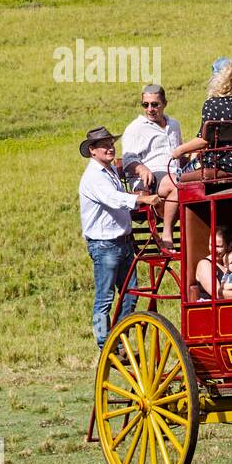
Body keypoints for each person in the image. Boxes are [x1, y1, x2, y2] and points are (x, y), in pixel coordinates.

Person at [78, 126, 161, 348]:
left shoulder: (110, 171)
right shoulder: (93, 176)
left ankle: (119, 337)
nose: (110, 147)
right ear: (92, 150)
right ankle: (105, 342)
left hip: (123, 242)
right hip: (104, 244)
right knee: (105, 298)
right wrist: (143, 199)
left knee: (130, 295)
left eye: (111, 143)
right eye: (104, 145)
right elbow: (113, 199)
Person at [119, 84, 183, 248]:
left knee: (198, 183)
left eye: (155, 104)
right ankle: (167, 233)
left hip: (174, 172)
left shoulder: (174, 125)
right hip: (149, 177)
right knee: (177, 184)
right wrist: (141, 168)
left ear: (165, 103)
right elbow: (128, 160)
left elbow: (179, 155)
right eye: (145, 105)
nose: (150, 109)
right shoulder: (135, 128)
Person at [195, 226, 231, 300]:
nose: (214, 250)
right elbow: (217, 294)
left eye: (218, 246)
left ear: (229, 245)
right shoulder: (204, 264)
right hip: (213, 309)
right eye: (211, 245)